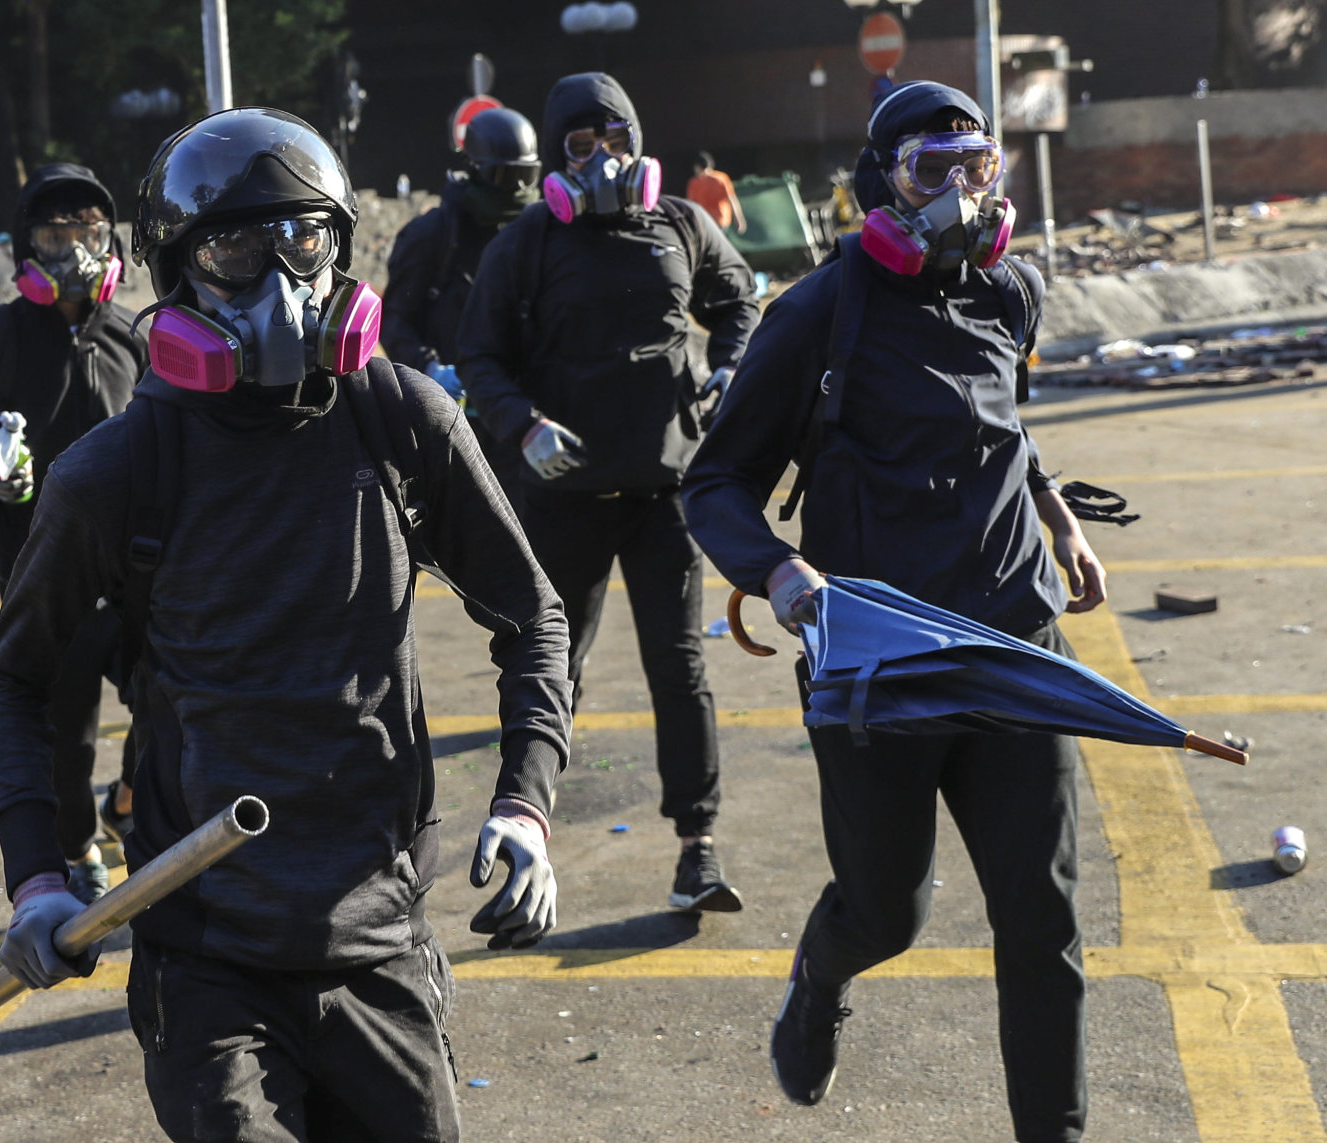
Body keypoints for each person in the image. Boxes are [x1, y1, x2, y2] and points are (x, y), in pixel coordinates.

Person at [0, 108, 572, 1142]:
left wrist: (527, 801)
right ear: (175, 272)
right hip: (209, 956)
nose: (282, 280)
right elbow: (15, 679)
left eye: (304, 239)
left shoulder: (403, 419)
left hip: (380, 933)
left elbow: (533, 616)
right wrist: (36, 877)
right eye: (237, 248)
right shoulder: (115, 473)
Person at [681, 82, 1107, 1139]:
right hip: (880, 666)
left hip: (1014, 642)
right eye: (932, 171)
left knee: (1041, 924)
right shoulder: (819, 315)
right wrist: (778, 575)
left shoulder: (1012, 291)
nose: (961, 195)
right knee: (888, 912)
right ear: (880, 186)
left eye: (978, 168)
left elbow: (994, 415)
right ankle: (821, 979)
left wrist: (1054, 509)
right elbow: (713, 481)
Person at [460, 72, 760, 914]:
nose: (601, 159)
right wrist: (522, 425)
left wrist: (730, 366)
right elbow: (478, 354)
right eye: (580, 146)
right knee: (552, 667)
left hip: (664, 491)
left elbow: (740, 302)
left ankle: (697, 848)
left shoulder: (681, 223)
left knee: (681, 668)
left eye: (613, 139)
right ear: (557, 159)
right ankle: (524, 843)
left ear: (637, 142)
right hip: (564, 495)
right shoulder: (525, 243)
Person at [0, 164, 148, 902]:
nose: (73, 252)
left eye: (87, 234)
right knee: (65, 725)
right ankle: (78, 843)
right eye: (55, 236)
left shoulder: (135, 333)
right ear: (26, 248)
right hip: (44, 567)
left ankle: (131, 801)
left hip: (141, 563)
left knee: (178, 696)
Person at [383, 106, 542, 473]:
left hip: (527, 419)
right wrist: (429, 368)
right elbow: (394, 321)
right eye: (505, 175)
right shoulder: (432, 236)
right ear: (476, 170)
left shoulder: (538, 233)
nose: (517, 189)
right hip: (457, 424)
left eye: (526, 175)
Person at [685, 151, 746, 234]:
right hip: (721, 219)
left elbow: (691, 204)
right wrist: (739, 219)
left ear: (697, 167)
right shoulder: (721, 178)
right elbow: (731, 199)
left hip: (704, 221)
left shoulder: (694, 183)